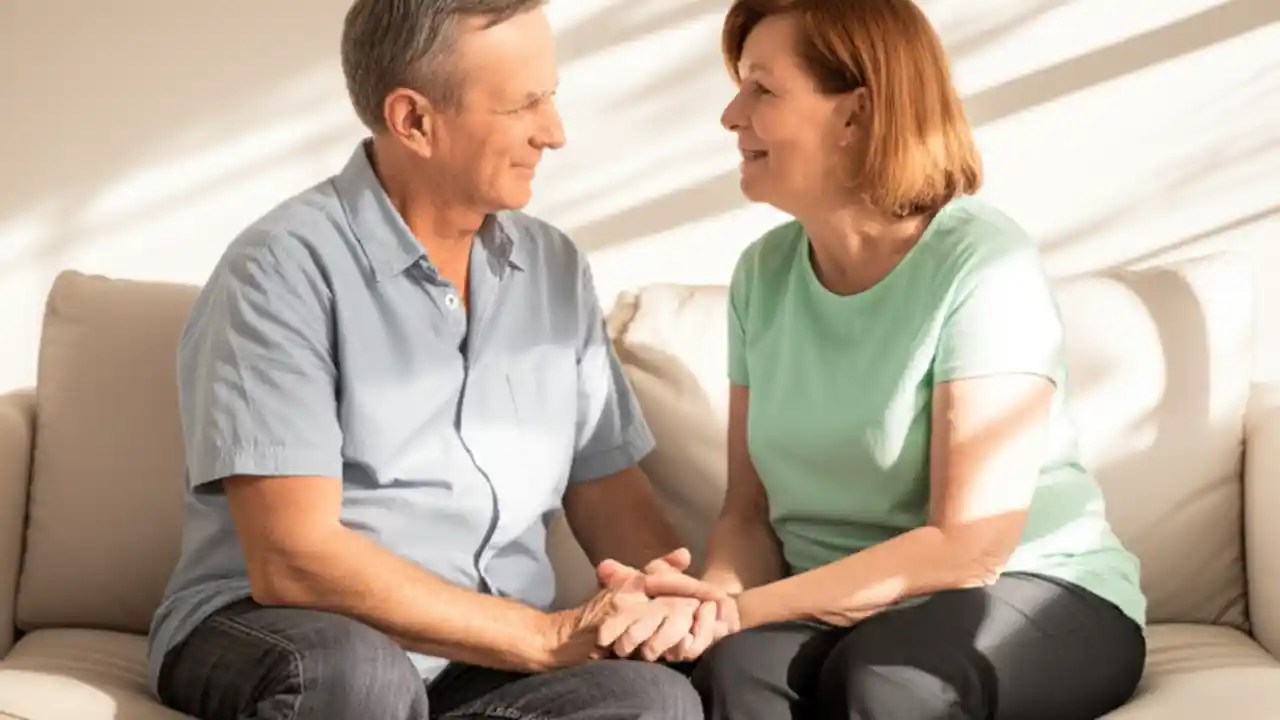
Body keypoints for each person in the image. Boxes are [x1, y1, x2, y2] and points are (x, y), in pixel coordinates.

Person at [146, 2, 709, 718]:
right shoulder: (281, 268)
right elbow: (293, 558)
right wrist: (543, 636)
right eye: (524, 104)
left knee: (655, 702)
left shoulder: (554, 269)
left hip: (480, 652)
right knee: (360, 675)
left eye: (551, 95)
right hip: (274, 627)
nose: (555, 132)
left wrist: (665, 602)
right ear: (414, 120)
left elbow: (607, 493)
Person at [601, 0, 1148, 718]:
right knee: (734, 674)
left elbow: (967, 548)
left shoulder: (982, 265)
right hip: (834, 605)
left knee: (890, 680)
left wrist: (745, 610)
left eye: (762, 89)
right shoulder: (762, 276)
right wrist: (712, 609)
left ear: (855, 114)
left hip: (1028, 588)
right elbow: (749, 511)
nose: (732, 116)